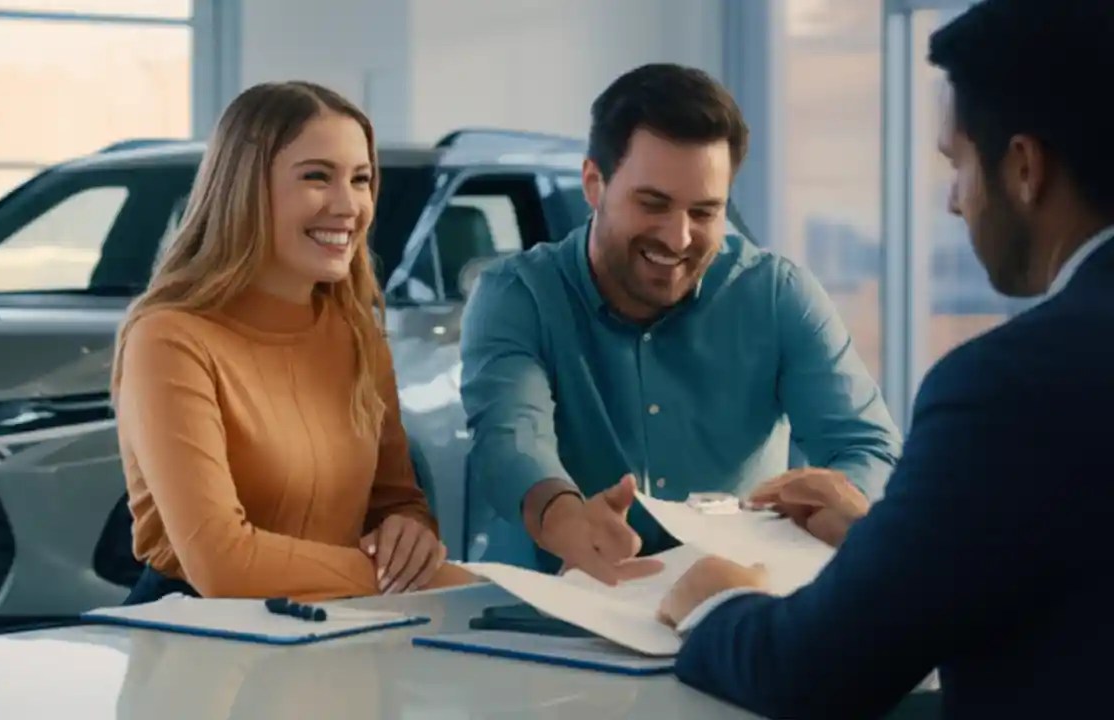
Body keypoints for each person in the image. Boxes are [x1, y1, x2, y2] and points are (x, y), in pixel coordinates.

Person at [658, 1, 1114, 717]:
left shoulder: (1009, 387)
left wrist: (715, 603)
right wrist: (882, 541)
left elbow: (814, 671)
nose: (956, 204)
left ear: (1024, 168)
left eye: (956, 165)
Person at [459, 63, 901, 582]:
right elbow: (511, 436)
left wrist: (840, 502)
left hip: (733, 609)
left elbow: (866, 446)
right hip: (551, 615)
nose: (679, 238)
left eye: (705, 212)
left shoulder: (777, 294)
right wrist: (564, 518)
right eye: (654, 204)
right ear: (594, 183)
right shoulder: (518, 295)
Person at [112, 81, 471, 604]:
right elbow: (223, 565)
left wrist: (409, 537)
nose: (349, 205)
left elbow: (396, 503)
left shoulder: (357, 336)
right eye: (317, 177)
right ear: (246, 189)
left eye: (361, 179)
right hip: (197, 644)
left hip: (333, 635)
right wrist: (430, 583)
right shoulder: (169, 340)